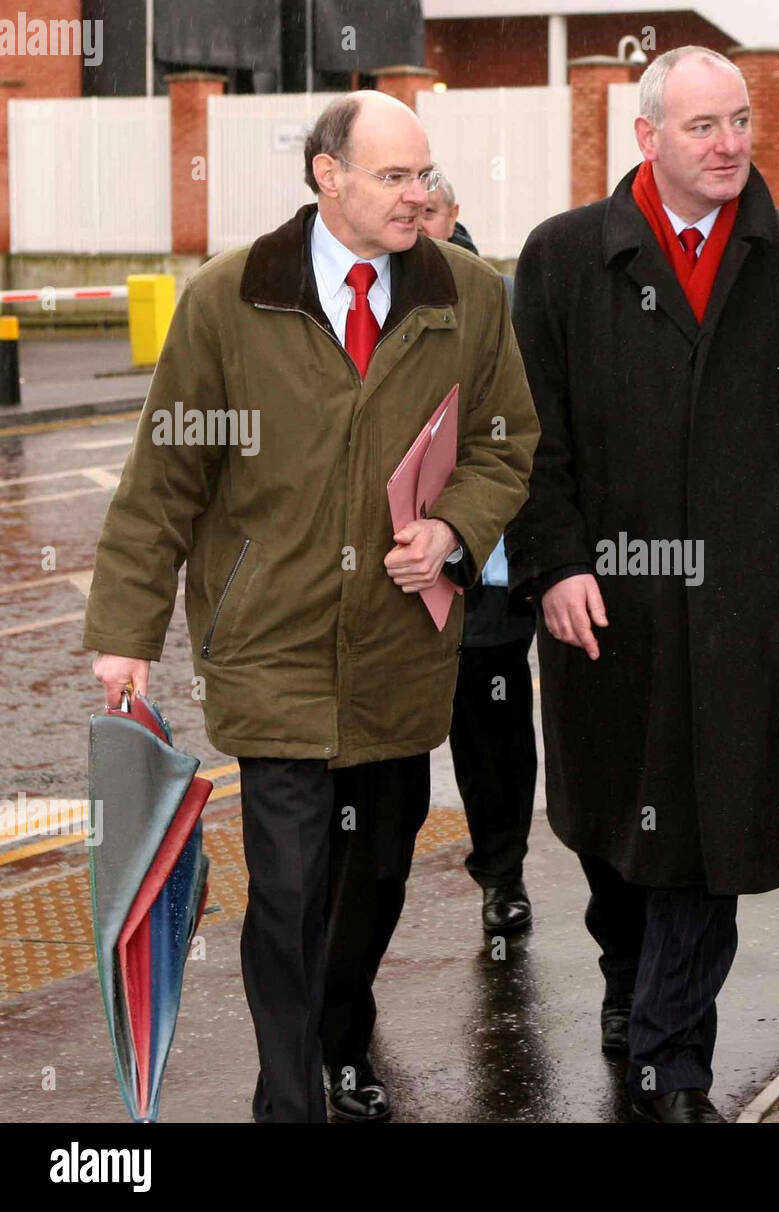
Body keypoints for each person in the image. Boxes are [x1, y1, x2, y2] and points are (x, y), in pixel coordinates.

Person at [82, 91, 538, 1123]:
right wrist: (124, 636)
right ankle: (288, 1100)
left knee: (377, 867)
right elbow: (165, 479)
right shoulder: (227, 298)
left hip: (398, 644)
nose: (418, 196)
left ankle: (339, 1036)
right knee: (285, 886)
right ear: (327, 177)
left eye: (424, 175)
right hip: (269, 641)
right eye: (394, 177)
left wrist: (456, 529)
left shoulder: (467, 293)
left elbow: (508, 437)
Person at [506, 45, 779, 1124]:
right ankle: (630, 978)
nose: (727, 145)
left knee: (708, 838)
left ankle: (676, 1065)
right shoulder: (565, 257)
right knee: (615, 833)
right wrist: (558, 563)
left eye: (739, 122)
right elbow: (527, 437)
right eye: (703, 126)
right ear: (647, 137)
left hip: (741, 620)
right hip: (603, 610)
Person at [417, 183, 538, 935]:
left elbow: (526, 427)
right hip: (383, 568)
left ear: (453, 216)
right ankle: (361, 899)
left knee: (491, 729)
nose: (415, 221)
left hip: (483, 570)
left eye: (429, 208)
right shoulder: (360, 298)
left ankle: (502, 873)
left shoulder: (500, 299)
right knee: (381, 744)